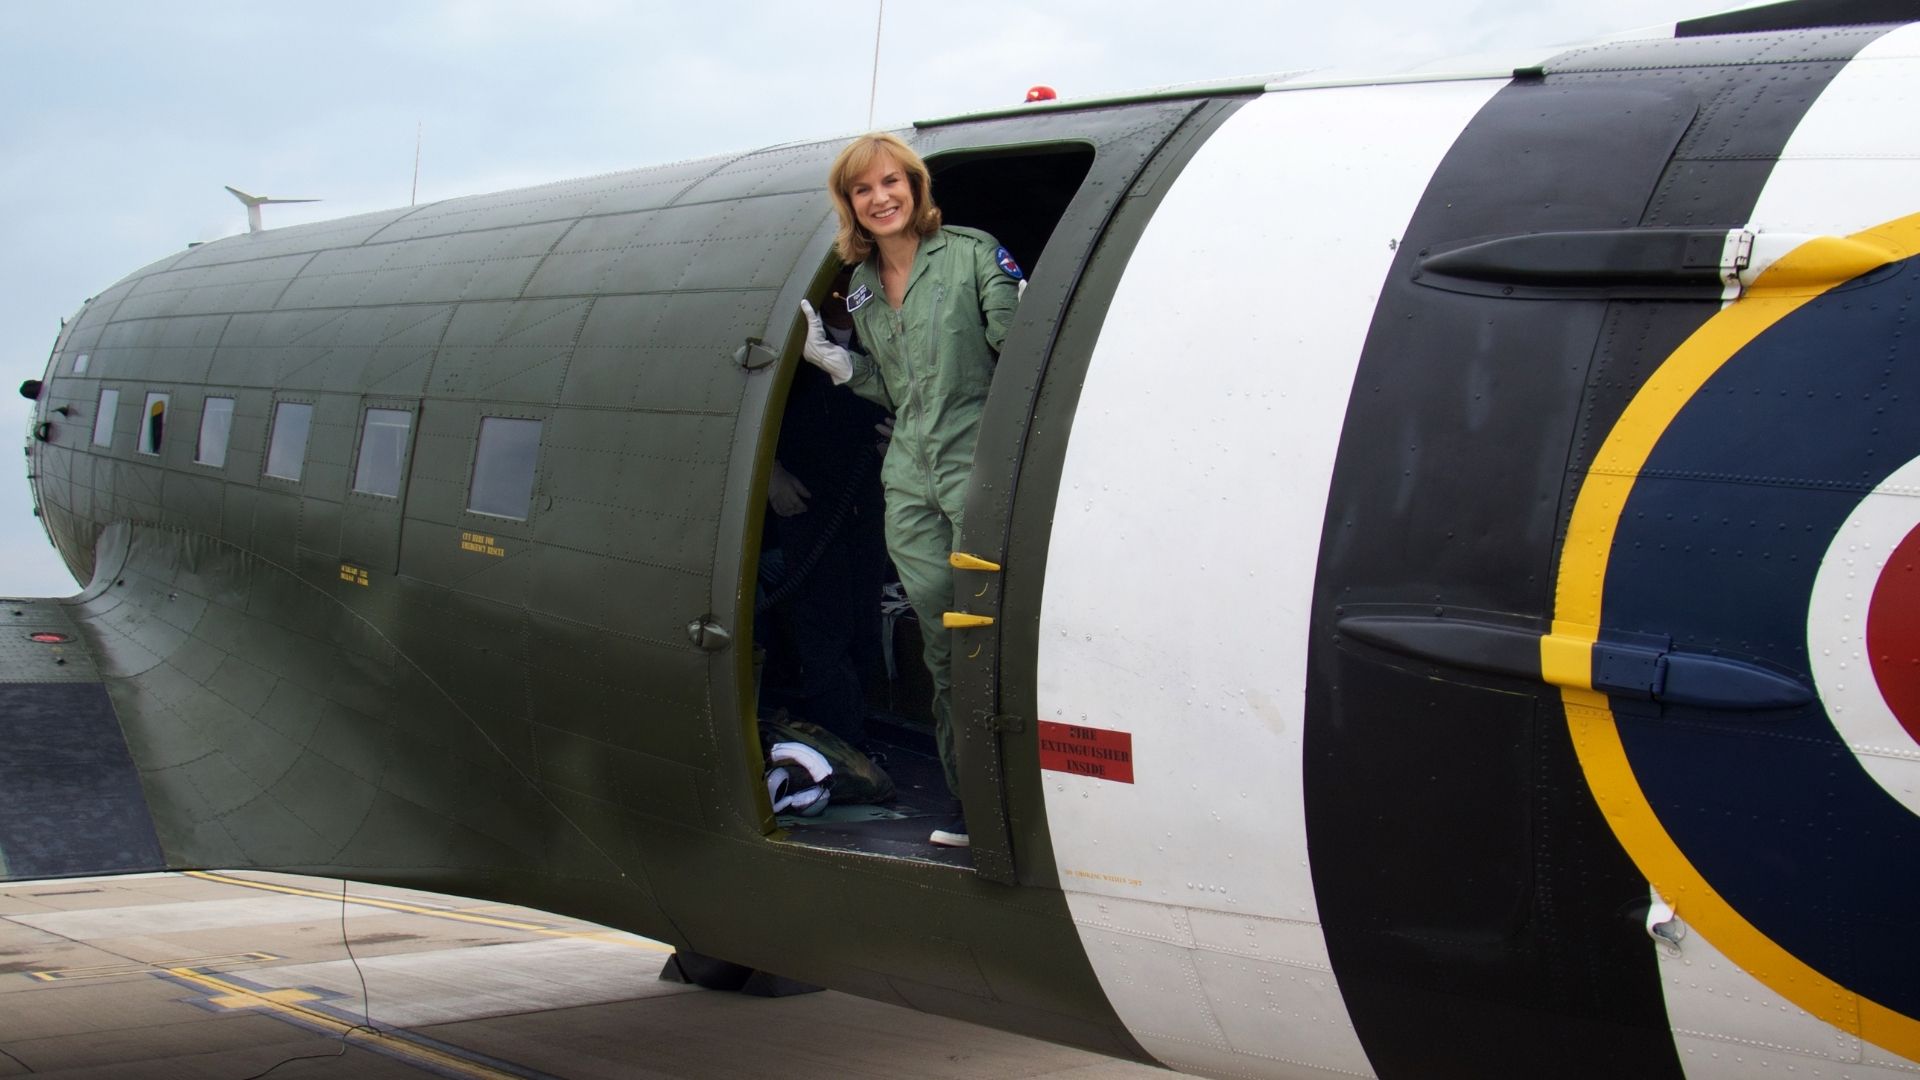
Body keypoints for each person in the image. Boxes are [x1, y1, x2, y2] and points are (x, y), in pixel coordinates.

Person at [797, 132, 1022, 848]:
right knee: (940, 649)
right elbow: (892, 388)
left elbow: (1017, 349)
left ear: (916, 188)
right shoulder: (859, 285)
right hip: (909, 483)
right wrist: (836, 364)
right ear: (850, 204)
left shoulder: (972, 253)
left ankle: (1013, 805)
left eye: (892, 182)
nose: (881, 197)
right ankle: (970, 806)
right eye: (863, 189)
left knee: (994, 639)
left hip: (978, 467)